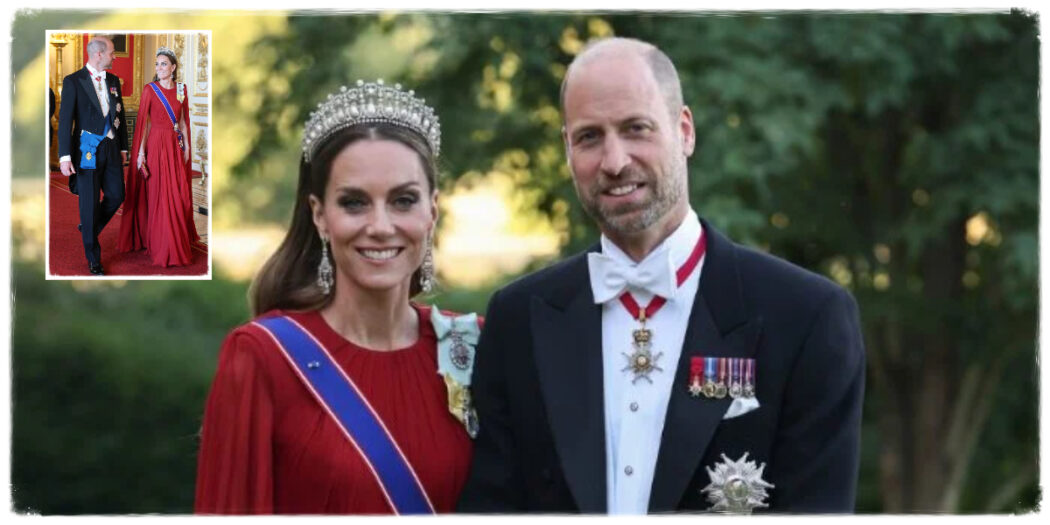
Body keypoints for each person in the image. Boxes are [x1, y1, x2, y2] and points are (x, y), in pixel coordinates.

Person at [458, 37, 865, 514]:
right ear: (567, 149)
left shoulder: (806, 317)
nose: (614, 162)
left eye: (636, 129)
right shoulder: (518, 320)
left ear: (685, 131)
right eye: (589, 137)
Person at [195, 80, 478, 514]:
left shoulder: (472, 347)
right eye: (354, 203)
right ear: (320, 215)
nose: (380, 226)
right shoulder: (264, 357)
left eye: (403, 200)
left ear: (432, 211)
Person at [117, 46, 200, 267]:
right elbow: (145, 124)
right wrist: (140, 153)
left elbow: (183, 121)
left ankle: (175, 240)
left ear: (173, 67)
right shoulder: (149, 90)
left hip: (174, 146)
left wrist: (187, 147)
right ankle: (161, 243)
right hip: (155, 145)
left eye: (164, 64)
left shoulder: (182, 89)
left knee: (176, 193)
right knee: (159, 194)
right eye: (157, 64)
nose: (159, 68)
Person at [57, 34, 128, 275]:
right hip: (86, 151)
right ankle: (93, 259)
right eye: (111, 52)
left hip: (111, 148)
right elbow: (65, 121)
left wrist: (123, 147)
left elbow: (120, 116)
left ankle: (90, 227)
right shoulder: (73, 81)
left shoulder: (114, 80)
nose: (114, 56)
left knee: (117, 195)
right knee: (88, 203)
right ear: (99, 54)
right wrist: (64, 156)